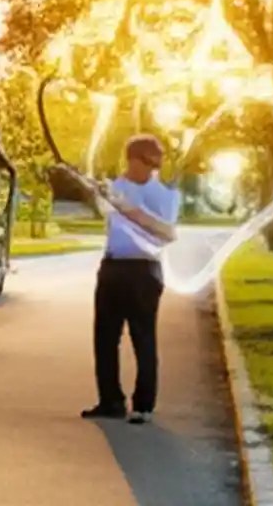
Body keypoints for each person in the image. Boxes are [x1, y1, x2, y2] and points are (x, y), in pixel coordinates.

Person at [69, 134, 181, 425]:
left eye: (156, 163)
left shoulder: (166, 194)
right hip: (114, 266)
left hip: (145, 270)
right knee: (105, 338)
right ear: (131, 160)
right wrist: (90, 188)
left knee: (143, 338)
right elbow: (99, 206)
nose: (153, 169)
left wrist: (122, 205)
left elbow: (165, 231)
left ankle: (143, 404)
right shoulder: (113, 188)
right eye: (147, 162)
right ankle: (110, 400)